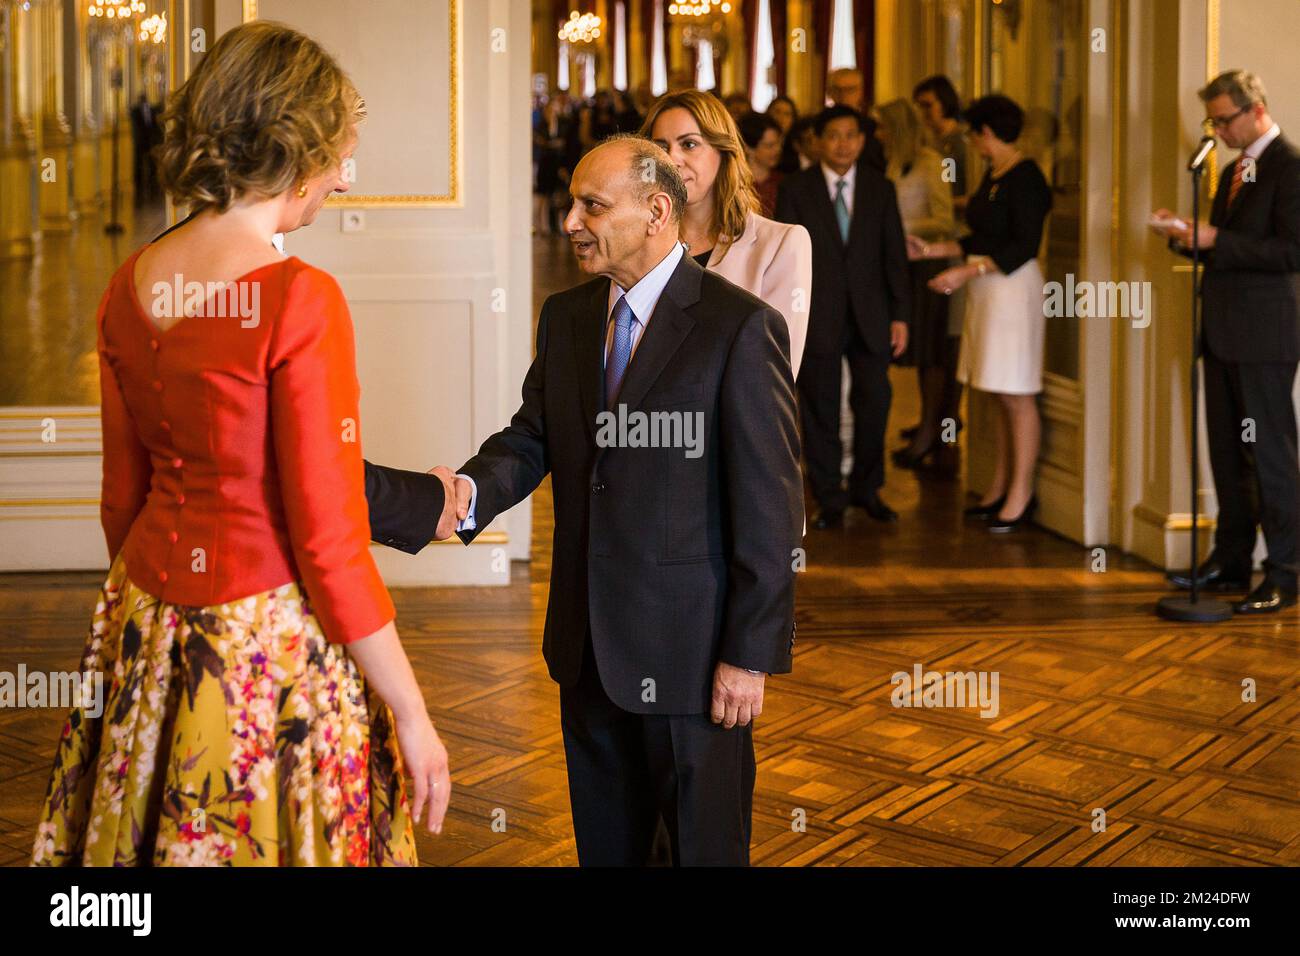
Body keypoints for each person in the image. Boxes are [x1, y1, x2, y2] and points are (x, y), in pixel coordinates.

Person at [30, 21, 457, 867]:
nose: (341, 175)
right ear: (294, 148)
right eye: (336, 153)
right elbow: (330, 543)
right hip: (265, 643)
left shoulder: (132, 281)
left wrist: (153, 617)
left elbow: (123, 497)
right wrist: (411, 710)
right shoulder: (299, 297)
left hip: (148, 618)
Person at [372, 135, 803, 866]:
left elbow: (771, 508)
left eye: (591, 205)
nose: (569, 221)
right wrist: (465, 495)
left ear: (657, 211)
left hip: (694, 659)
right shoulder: (568, 316)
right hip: (587, 649)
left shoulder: (739, 327)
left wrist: (748, 655)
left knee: (704, 852)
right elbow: (533, 437)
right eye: (572, 202)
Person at [1157, 70, 1300, 614]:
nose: (1216, 131)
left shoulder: (1289, 167)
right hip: (1220, 330)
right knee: (1225, 451)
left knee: (1271, 456)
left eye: (1224, 120)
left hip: (1265, 335)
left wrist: (1219, 239)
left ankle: (1285, 571)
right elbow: (1231, 248)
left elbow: (1293, 252)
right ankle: (1231, 559)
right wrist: (1188, 239)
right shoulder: (1233, 170)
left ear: (1255, 109)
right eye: (1212, 121)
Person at [909, 95, 1052, 533]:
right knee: (995, 391)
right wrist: (934, 250)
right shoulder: (995, 174)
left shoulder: (1028, 178)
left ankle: (1020, 494)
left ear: (987, 133)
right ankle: (1000, 485)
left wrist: (968, 270)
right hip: (988, 289)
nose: (972, 142)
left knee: (1016, 393)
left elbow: (1021, 247)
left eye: (974, 134)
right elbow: (981, 237)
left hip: (1013, 289)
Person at [775, 105, 911, 528]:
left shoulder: (880, 188)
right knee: (820, 405)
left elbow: (895, 254)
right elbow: (788, 260)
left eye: (851, 135)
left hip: (873, 315)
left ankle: (868, 490)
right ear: (817, 141)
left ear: (862, 140)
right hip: (817, 313)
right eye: (833, 136)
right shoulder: (797, 188)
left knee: (875, 402)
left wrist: (901, 315)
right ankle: (829, 494)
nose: (843, 144)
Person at [642, 90, 812, 377]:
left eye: (689, 144)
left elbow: (777, 368)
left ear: (723, 151)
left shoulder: (781, 243)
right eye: (661, 147)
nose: (672, 159)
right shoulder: (640, 241)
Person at [874, 98, 956, 471]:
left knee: (932, 354)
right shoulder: (893, 161)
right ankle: (925, 427)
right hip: (901, 265)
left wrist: (902, 230)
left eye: (884, 126)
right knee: (918, 354)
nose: (879, 133)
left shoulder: (931, 163)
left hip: (927, 266)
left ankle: (932, 430)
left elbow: (945, 219)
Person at [911, 74, 970, 464]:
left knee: (947, 344)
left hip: (956, 249)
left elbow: (955, 199)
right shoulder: (935, 146)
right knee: (932, 343)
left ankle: (944, 424)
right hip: (937, 249)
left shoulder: (954, 146)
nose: (924, 113)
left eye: (929, 104)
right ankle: (933, 422)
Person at [825, 68, 886, 172]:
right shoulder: (818, 125)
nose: (843, 95)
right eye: (837, 89)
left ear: (861, 92)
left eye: (850, 90)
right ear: (829, 92)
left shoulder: (874, 128)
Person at [738, 110, 785, 218]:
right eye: (769, 145)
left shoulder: (783, 182)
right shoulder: (736, 182)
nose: (777, 150)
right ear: (748, 148)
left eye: (779, 144)